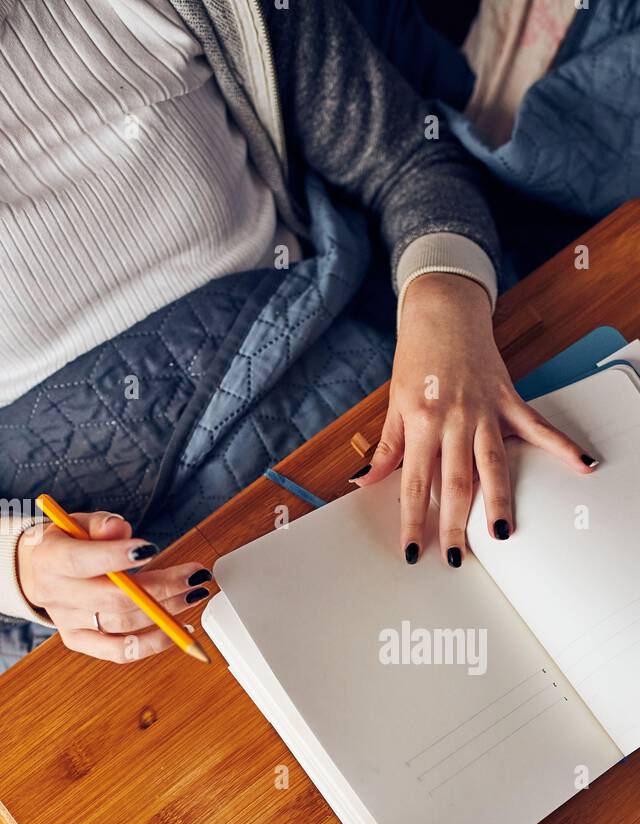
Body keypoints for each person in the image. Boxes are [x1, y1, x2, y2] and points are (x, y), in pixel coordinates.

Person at [0, 0, 591, 661]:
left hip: (368, 392)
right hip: (119, 591)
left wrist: (445, 306)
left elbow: (404, 159)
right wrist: (19, 562)